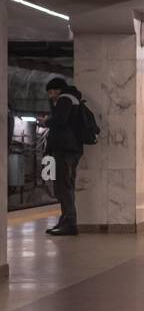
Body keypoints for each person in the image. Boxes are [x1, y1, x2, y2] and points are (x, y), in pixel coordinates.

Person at [41, 77, 84, 236]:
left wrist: (47, 121)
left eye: (52, 92)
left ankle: (70, 223)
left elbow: (60, 121)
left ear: (59, 89)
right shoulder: (73, 99)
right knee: (66, 186)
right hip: (71, 149)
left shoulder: (65, 99)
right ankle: (65, 219)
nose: (50, 96)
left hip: (65, 149)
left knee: (63, 187)